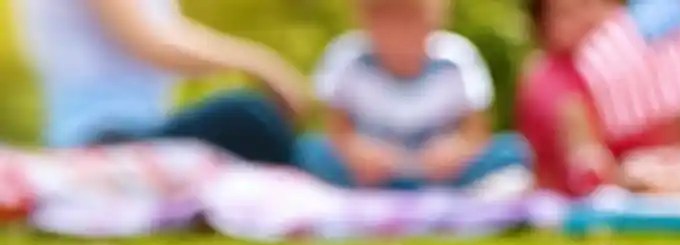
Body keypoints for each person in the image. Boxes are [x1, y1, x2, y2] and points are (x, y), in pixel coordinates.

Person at [15, 0, 309, 165]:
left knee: (283, 134)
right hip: (102, 138)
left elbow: (173, 33)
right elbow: (150, 43)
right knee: (248, 118)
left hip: (143, 129)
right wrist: (259, 63)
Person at [293, 0, 528, 190]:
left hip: (440, 171)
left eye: (410, 19)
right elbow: (337, 131)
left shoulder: (457, 57)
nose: (399, 31)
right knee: (309, 151)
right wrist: (357, 151)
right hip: (370, 172)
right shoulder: (345, 55)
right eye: (388, 20)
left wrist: (455, 150)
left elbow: (476, 131)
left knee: (513, 149)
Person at [517, 0, 680, 196]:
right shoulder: (554, 81)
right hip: (598, 201)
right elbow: (587, 168)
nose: (585, 20)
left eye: (589, 5)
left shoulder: (645, 64)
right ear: (543, 27)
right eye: (565, 14)